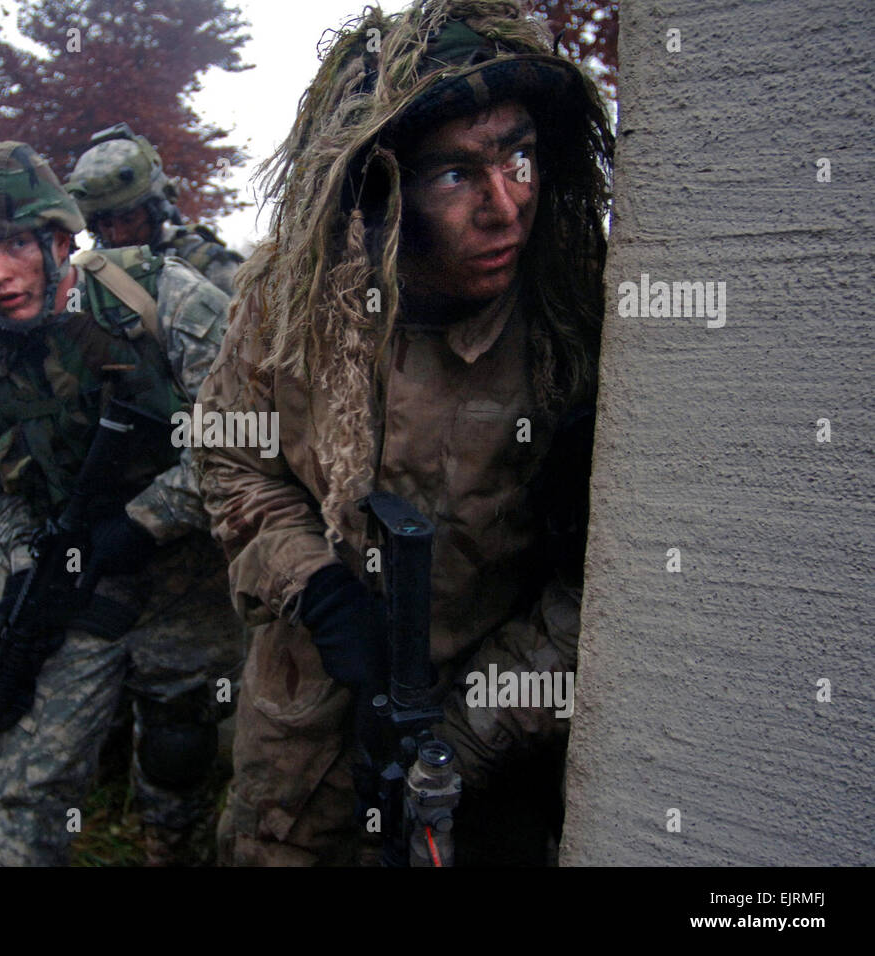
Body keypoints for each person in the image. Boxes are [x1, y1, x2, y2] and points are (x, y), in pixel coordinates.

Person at [195, 0, 613, 866]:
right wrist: (313, 583)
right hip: (299, 754)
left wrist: (460, 736)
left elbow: (605, 582)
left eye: (520, 156)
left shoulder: (577, 330)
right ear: (384, 189)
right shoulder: (294, 302)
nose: (506, 205)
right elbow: (229, 456)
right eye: (457, 175)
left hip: (485, 779)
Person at [0, 140, 242, 865]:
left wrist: (143, 521)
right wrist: (20, 568)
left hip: (186, 580)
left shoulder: (165, 298)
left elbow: (248, 439)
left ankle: (173, 848)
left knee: (176, 754)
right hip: (82, 584)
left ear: (61, 237)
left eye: (14, 245)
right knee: (28, 781)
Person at [65, 123, 243, 295]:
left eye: (129, 220)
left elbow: (246, 322)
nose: (120, 235)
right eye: (106, 224)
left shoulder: (206, 263)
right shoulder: (86, 280)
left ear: (155, 211)